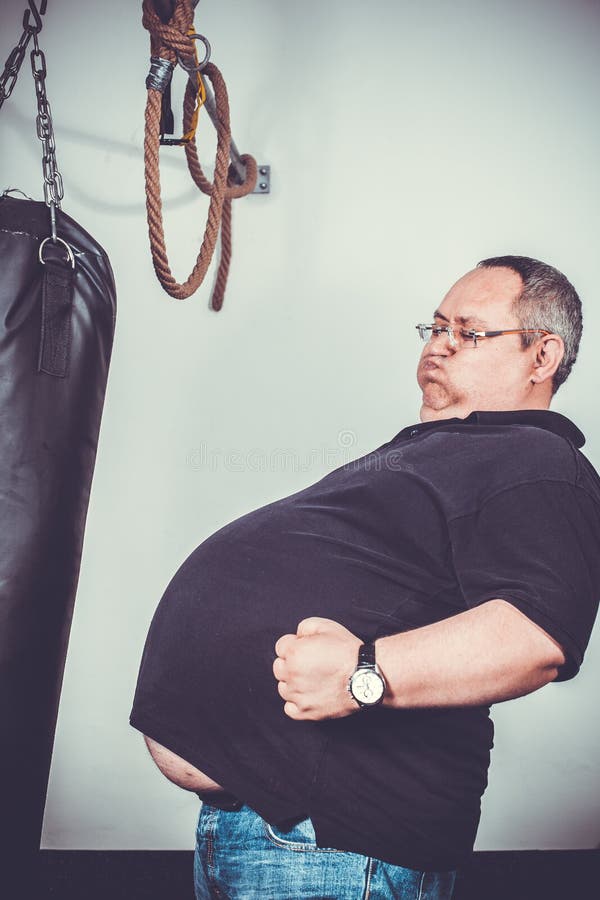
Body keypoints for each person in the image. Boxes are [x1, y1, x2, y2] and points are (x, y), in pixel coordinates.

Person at [130, 255, 600, 900]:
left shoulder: (534, 458)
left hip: (335, 843)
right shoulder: (446, 454)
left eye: (469, 331)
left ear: (542, 355)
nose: (439, 345)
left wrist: (362, 675)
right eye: (435, 328)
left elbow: (535, 635)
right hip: (264, 827)